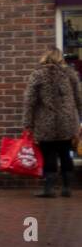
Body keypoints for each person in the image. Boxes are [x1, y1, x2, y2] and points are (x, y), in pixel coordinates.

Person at [22, 48, 82, 198]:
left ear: (44, 57)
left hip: (45, 122)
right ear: (60, 58)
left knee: (48, 154)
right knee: (65, 153)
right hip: (67, 122)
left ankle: (49, 189)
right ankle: (67, 188)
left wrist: (27, 124)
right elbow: (79, 99)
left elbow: (29, 102)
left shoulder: (37, 75)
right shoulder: (70, 74)